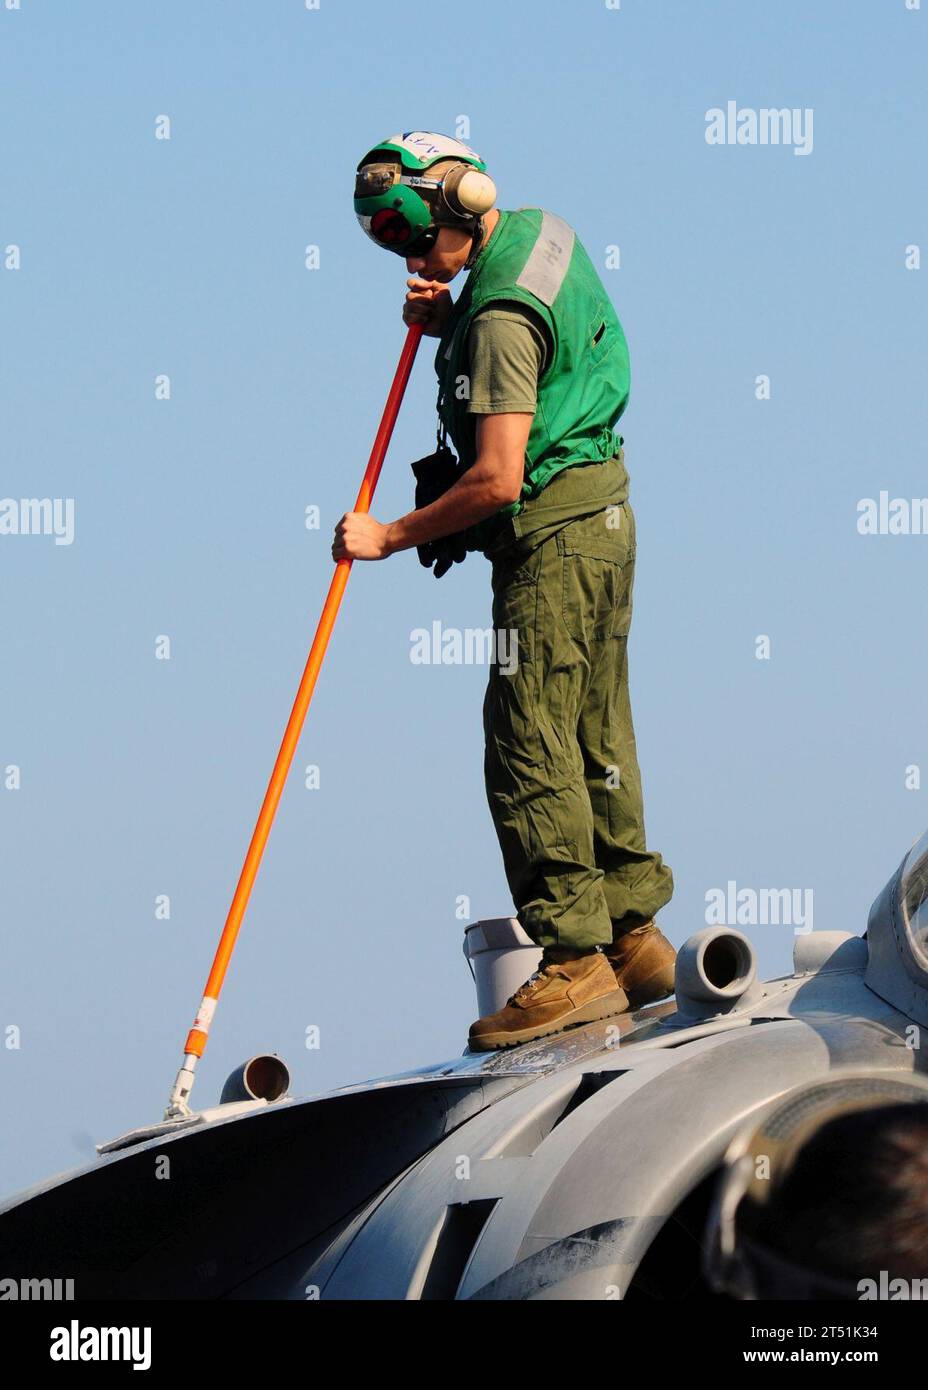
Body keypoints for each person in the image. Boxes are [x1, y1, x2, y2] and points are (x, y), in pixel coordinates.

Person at [335, 130, 674, 1050]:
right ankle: (634, 935)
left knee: (526, 734)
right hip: (608, 514)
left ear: (456, 208)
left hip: (555, 535)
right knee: (593, 725)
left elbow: (493, 480)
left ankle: (572, 961)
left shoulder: (497, 323)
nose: (409, 257)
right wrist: (454, 317)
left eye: (412, 237)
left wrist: (389, 537)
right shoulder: (533, 233)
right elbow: (541, 332)